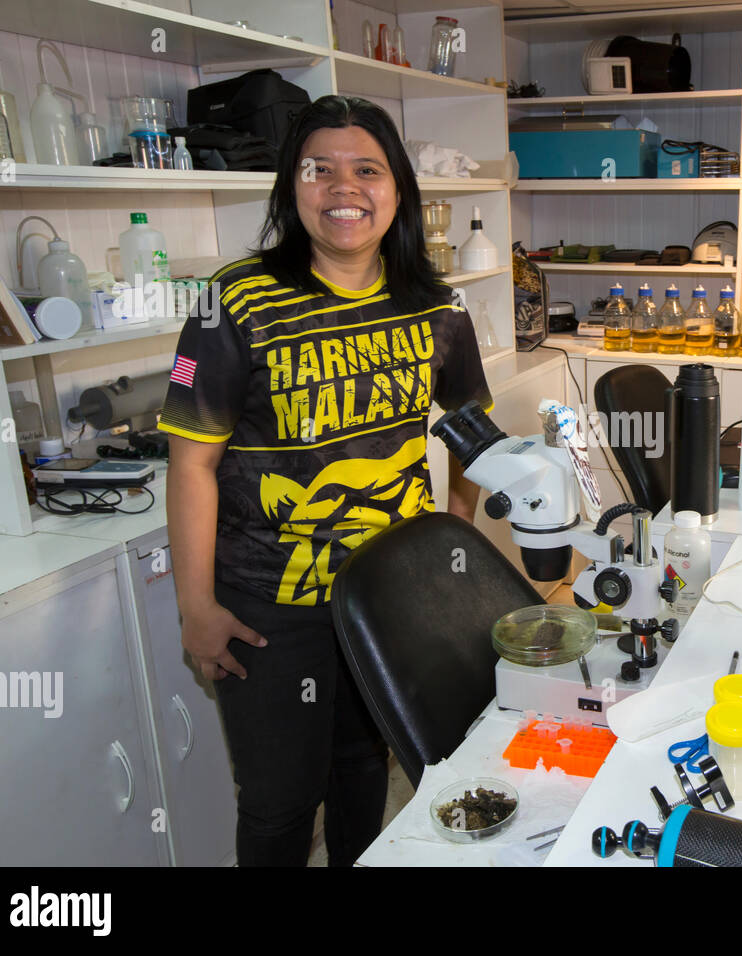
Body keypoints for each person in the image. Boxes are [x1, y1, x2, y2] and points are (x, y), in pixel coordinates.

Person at [158, 95, 491, 866]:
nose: (344, 188)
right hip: (272, 605)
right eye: (319, 169)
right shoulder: (231, 301)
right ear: (291, 187)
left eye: (366, 169)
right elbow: (192, 463)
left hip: (387, 598)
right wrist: (196, 607)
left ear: (398, 189)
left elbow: (474, 435)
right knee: (278, 804)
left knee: (362, 773)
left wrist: (450, 548)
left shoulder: (438, 308)